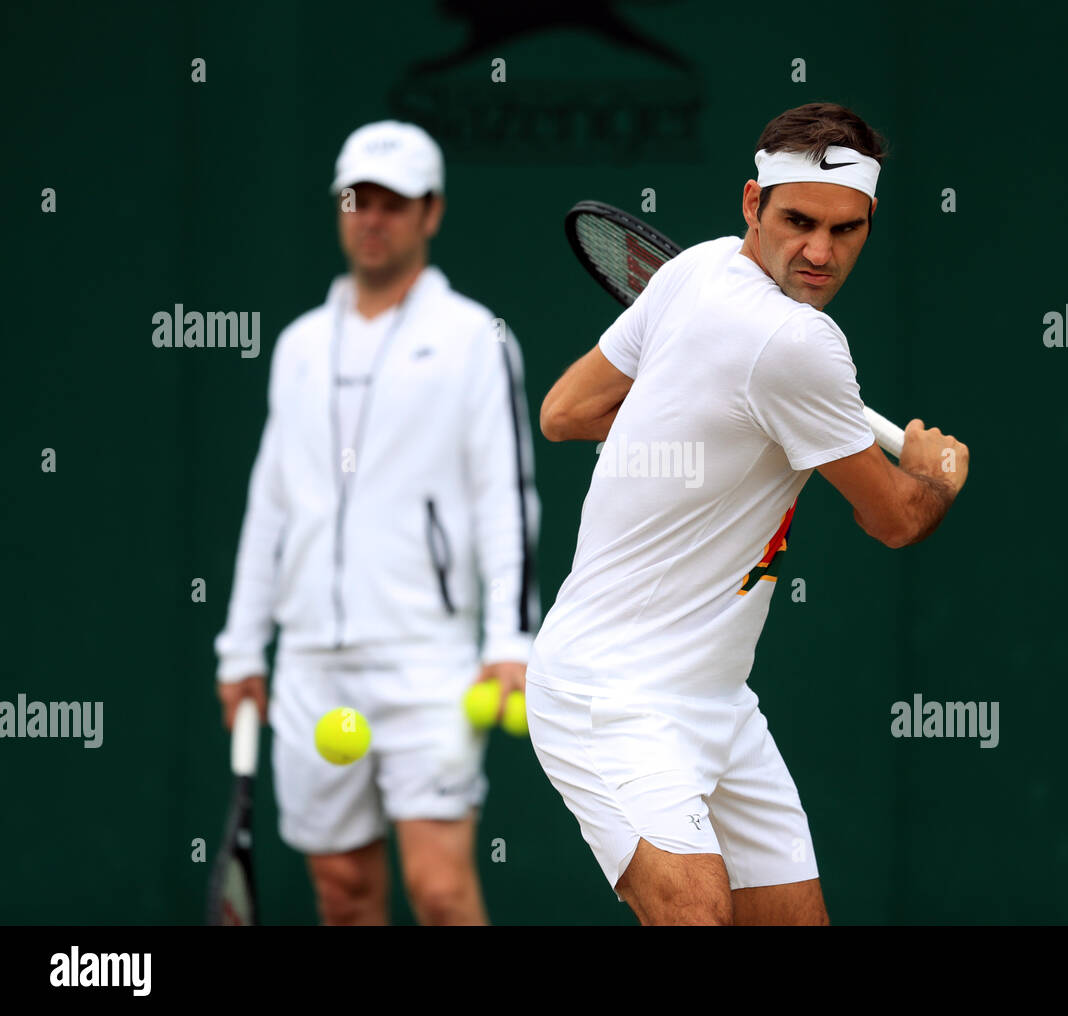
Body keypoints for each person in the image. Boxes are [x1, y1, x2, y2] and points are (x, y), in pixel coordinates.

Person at [527, 102, 968, 925]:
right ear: (751, 204)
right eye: (798, 220)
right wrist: (937, 473)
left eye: (846, 230)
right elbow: (899, 519)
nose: (819, 252)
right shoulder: (800, 346)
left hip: (717, 700)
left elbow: (568, 411)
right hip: (611, 691)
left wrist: (707, 415)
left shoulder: (691, 271)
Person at [213, 120, 539, 926]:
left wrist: (509, 639)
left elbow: (508, 494)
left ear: (431, 214)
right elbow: (270, 504)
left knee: (439, 890)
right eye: (358, 200)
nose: (373, 217)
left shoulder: (474, 338)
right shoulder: (295, 348)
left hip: (427, 660)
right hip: (310, 664)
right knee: (344, 894)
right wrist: (242, 645)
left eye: (394, 203)